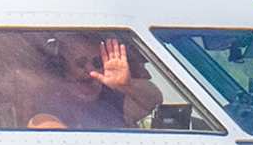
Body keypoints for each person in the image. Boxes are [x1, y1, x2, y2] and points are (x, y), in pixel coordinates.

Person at [27, 34, 162, 129]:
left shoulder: (111, 101)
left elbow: (154, 98)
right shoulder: (48, 109)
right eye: (81, 63)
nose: (91, 70)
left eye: (97, 62)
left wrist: (128, 85)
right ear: (62, 70)